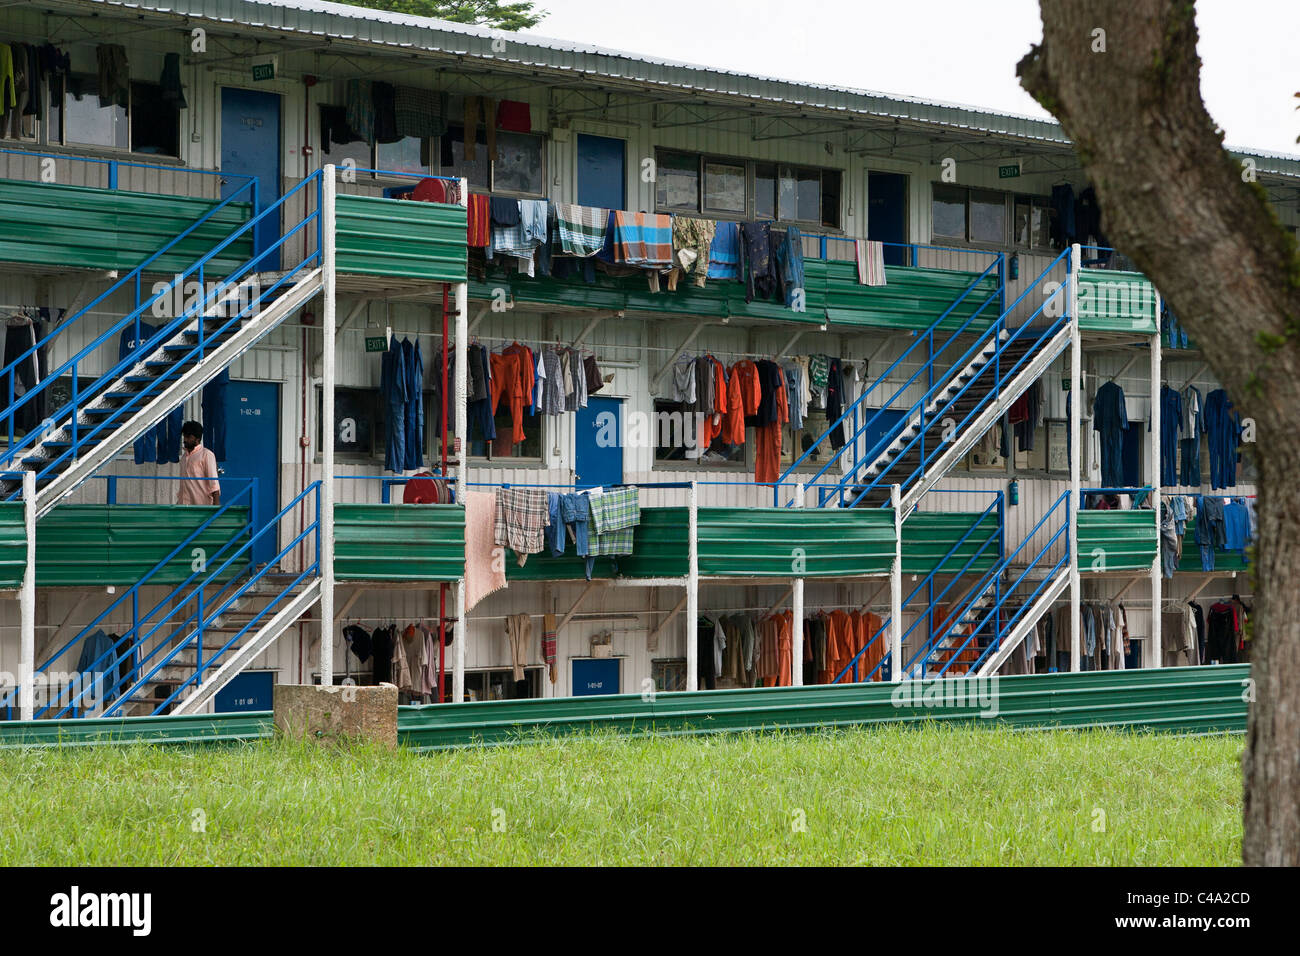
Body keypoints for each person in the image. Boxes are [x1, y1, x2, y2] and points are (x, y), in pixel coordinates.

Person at [177, 420, 220, 506]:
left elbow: (214, 484)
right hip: (184, 506)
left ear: (197, 439)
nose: (185, 439)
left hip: (202, 507)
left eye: (189, 437)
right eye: (184, 436)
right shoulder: (184, 458)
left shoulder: (206, 455)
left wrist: (216, 509)